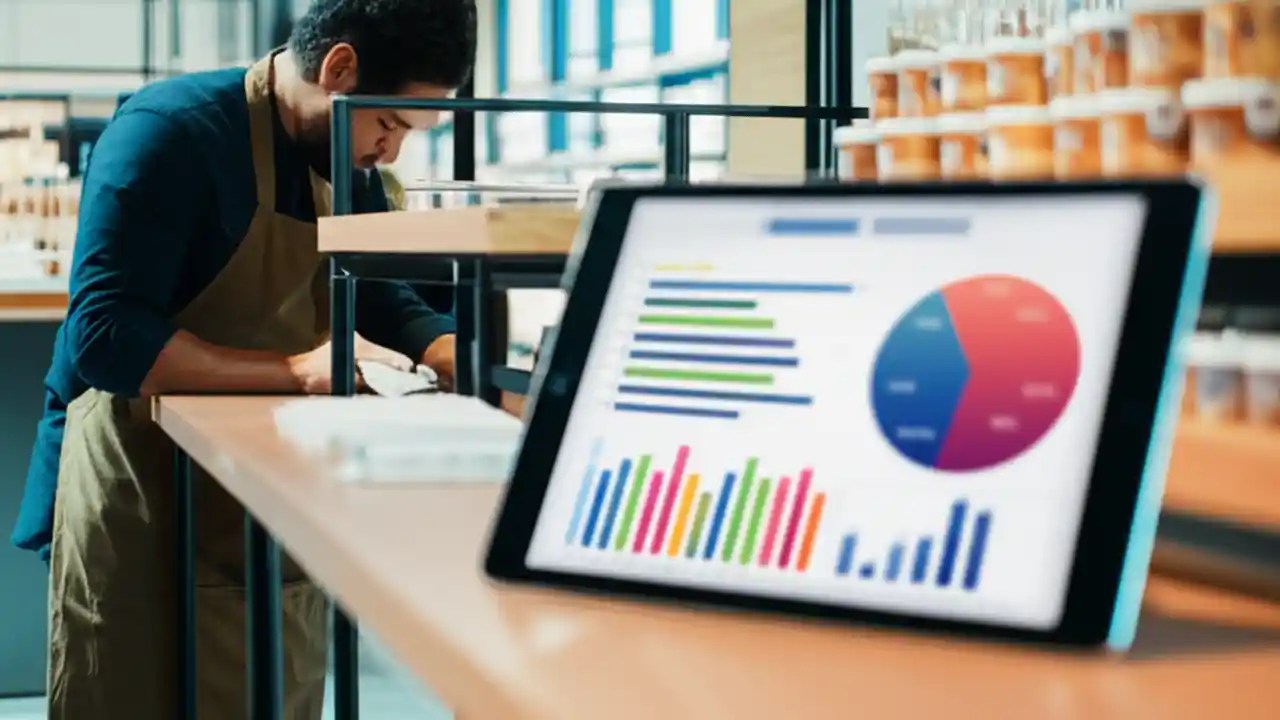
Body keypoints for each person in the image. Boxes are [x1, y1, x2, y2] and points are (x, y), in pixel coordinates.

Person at [9, 1, 477, 717]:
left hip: (263, 495)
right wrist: (296, 372)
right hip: (141, 487)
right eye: (389, 124)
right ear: (340, 69)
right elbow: (106, 337)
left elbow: (388, 301)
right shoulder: (171, 133)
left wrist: (452, 356)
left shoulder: (354, 173)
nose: (391, 152)